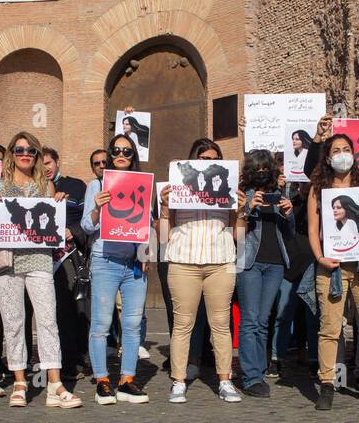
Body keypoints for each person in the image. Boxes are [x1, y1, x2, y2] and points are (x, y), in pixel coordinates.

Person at [0, 131, 81, 409]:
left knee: (48, 321)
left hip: (39, 259)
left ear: (36, 155)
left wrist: (57, 207)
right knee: (13, 323)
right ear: (12, 153)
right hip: (8, 261)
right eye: (20, 149)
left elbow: (53, 228)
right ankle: (20, 381)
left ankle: (55, 384)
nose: (25, 154)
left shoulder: (44, 185)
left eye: (31, 151)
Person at [307, 133, 359, 410]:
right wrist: (320, 257)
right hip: (330, 268)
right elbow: (312, 228)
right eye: (336, 150)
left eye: (346, 149)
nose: (342, 154)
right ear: (328, 158)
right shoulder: (318, 189)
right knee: (329, 329)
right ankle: (327, 385)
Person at [159, 138, 242, 403]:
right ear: (194, 160)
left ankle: (225, 380)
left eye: (214, 161)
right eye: (204, 160)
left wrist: (240, 212)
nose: (209, 164)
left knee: (221, 325)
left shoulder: (226, 188)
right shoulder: (178, 188)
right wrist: (164, 207)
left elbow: (239, 234)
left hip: (220, 261)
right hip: (184, 261)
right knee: (183, 325)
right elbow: (162, 237)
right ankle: (179, 381)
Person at [81, 132, 151, 403]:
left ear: (133, 156)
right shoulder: (96, 184)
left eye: (127, 151)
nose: (121, 155)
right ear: (109, 155)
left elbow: (147, 226)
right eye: (116, 150)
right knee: (101, 323)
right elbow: (87, 227)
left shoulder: (143, 185)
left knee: (132, 324)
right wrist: (98, 209)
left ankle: (127, 380)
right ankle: (102, 381)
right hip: (105, 261)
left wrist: (145, 256)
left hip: (134, 263)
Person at [236, 149, 295, 398]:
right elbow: (237, 229)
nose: (261, 173)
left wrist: (288, 213)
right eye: (256, 169)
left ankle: (259, 371)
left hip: (275, 263)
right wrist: (249, 207)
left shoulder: (280, 193)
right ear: (250, 171)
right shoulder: (242, 193)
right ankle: (251, 377)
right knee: (249, 320)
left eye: (265, 169)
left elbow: (289, 232)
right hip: (250, 262)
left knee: (262, 320)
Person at [42, 146, 89, 377]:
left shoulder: (76, 185)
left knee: (70, 310)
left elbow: (89, 219)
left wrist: (73, 230)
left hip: (68, 256)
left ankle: (73, 360)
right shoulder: (35, 188)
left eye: (48, 163)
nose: (45, 168)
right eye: (40, 165)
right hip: (40, 257)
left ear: (57, 162)